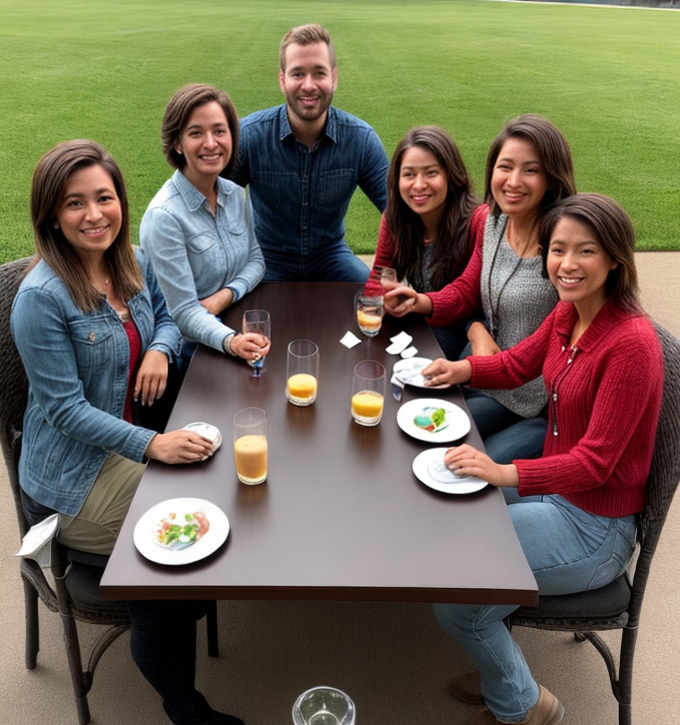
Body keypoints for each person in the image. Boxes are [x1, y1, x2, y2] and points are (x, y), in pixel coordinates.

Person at [11, 140, 249, 725]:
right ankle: (189, 716)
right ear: (51, 215)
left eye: (105, 197)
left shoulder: (129, 264)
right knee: (176, 559)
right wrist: (154, 445)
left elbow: (173, 316)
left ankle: (188, 687)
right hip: (73, 479)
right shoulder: (42, 298)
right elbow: (63, 412)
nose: (95, 214)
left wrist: (159, 350)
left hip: (128, 446)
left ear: (121, 199)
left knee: (208, 514)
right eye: (75, 203)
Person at [423, 194, 664, 725]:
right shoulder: (571, 311)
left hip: (593, 528)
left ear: (615, 259)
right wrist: (460, 371)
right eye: (559, 250)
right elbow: (516, 365)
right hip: (555, 499)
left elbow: (596, 465)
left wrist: (505, 473)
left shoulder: (630, 345)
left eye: (586, 251)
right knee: (452, 521)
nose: (568, 263)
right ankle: (499, 666)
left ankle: (525, 707)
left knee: (454, 596)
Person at [385, 115, 576, 461]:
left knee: (445, 450)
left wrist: (468, 366)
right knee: (410, 414)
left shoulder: (562, 246)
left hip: (530, 396)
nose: (514, 181)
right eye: (505, 167)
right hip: (487, 371)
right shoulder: (494, 222)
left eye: (530, 170)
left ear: (551, 177)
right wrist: (421, 301)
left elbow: (547, 346)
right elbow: (466, 291)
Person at [234, 23, 389, 282]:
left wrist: (386, 271)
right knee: (243, 316)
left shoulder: (360, 140)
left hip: (330, 257)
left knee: (373, 300)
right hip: (266, 258)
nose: (309, 85)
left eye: (319, 73)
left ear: (334, 78)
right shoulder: (250, 135)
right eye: (297, 74)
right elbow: (213, 209)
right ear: (282, 79)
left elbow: (396, 212)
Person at [140, 84, 267, 377]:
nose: (211, 143)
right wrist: (231, 341)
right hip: (188, 349)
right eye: (196, 133)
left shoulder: (235, 194)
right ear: (178, 143)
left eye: (219, 131)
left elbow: (256, 261)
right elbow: (182, 313)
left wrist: (222, 297)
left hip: (232, 320)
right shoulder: (164, 217)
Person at [370, 126, 480, 360]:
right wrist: (377, 303)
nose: (419, 185)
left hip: (473, 329)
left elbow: (466, 296)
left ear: (451, 175)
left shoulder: (477, 220)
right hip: (428, 322)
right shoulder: (395, 219)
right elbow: (380, 273)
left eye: (431, 173)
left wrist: (419, 302)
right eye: (409, 174)